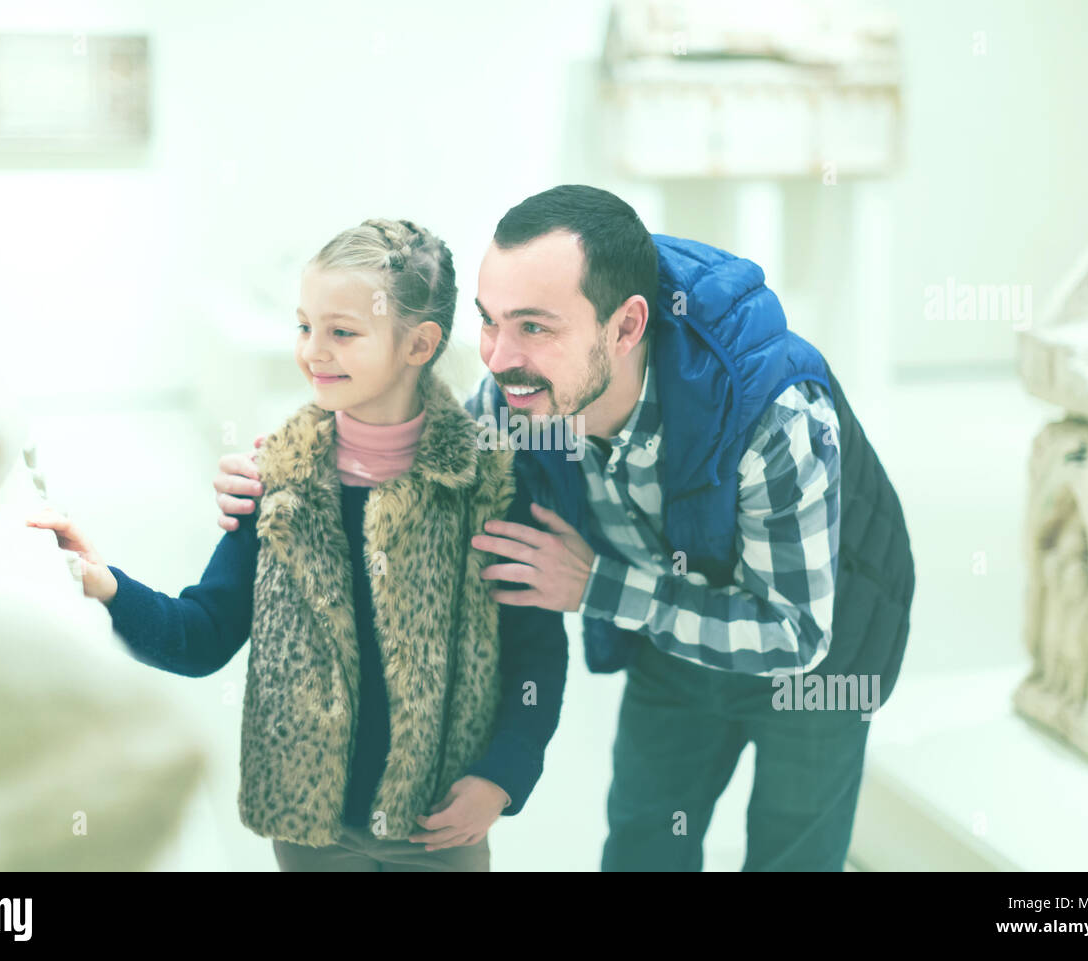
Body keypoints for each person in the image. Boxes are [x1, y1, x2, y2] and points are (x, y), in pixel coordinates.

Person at [216, 185, 916, 872]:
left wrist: (598, 585)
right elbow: (420, 465)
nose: (497, 356)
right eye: (491, 321)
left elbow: (794, 631)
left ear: (626, 326)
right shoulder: (512, 396)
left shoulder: (778, 416)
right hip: (671, 638)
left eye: (535, 326)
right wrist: (283, 473)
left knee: (795, 853)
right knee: (644, 842)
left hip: (823, 653)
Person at [28, 218, 568, 872]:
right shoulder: (275, 482)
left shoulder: (488, 486)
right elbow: (202, 634)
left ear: (418, 344)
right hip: (313, 829)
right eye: (305, 326)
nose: (314, 351)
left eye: (342, 332)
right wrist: (103, 582)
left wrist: (501, 778)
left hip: (439, 827)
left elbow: (536, 655)